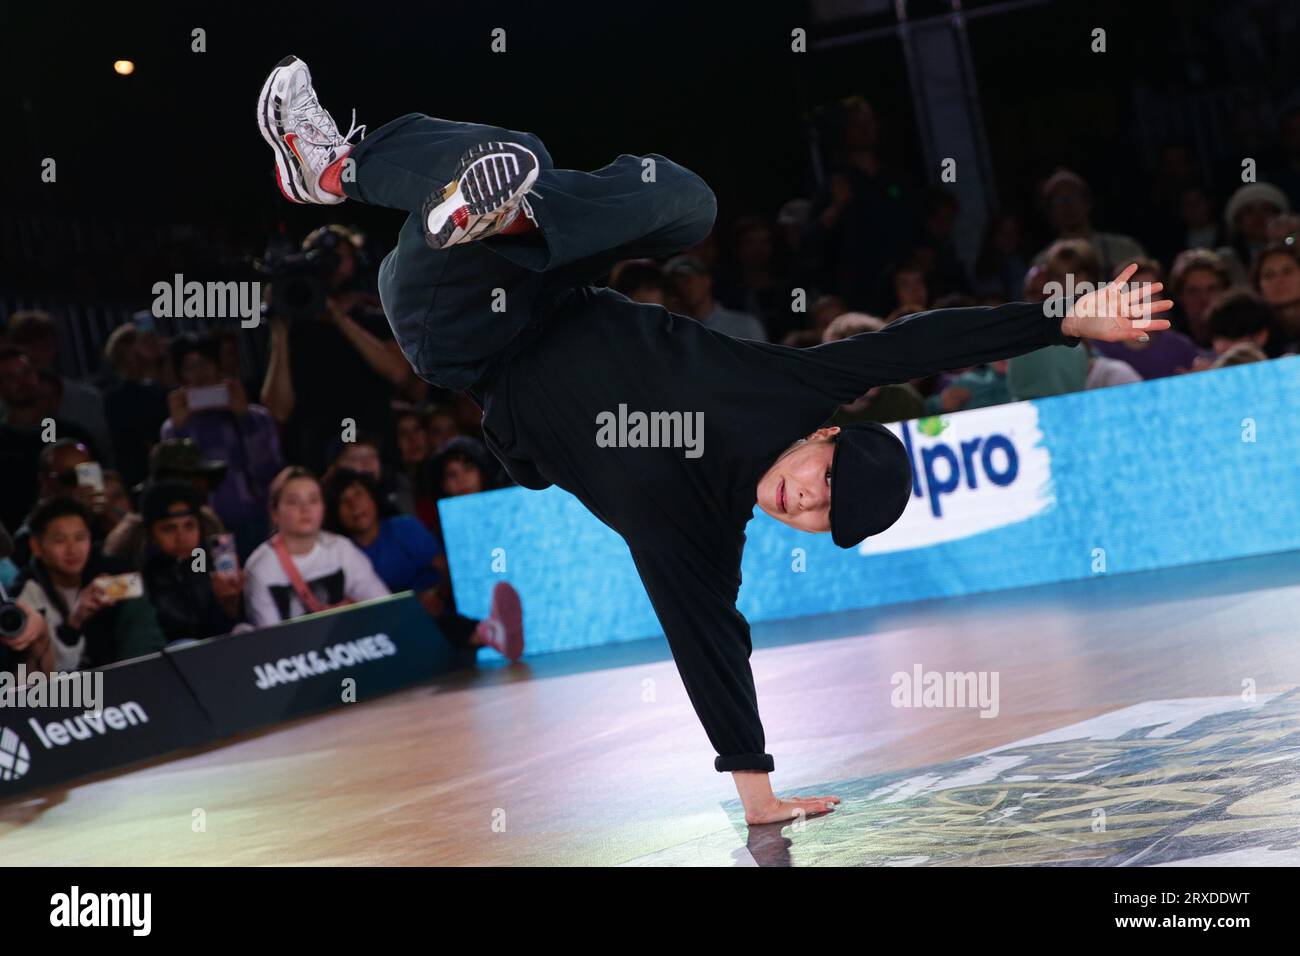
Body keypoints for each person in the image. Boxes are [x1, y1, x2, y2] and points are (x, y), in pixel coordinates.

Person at [257, 56, 1172, 824]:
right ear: (823, 433)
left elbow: (711, 644)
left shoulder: (697, 537)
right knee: (680, 202)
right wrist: (1064, 320)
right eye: (826, 480)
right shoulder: (786, 390)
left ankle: (398, 189)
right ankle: (439, 193)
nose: (809, 503)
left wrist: (758, 793)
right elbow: (917, 341)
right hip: (541, 277)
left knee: (522, 162)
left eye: (821, 519)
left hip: (455, 330)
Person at [322, 468, 523, 660]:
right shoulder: (340, 551)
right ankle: (487, 632)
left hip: (438, 611)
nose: (354, 506)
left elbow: (446, 569)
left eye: (358, 495)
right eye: (343, 501)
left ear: (372, 496)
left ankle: (486, 632)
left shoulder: (404, 528)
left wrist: (436, 593)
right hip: (388, 630)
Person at [161, 332, 283, 549]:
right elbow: (175, 483)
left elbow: (269, 470)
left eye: (205, 363)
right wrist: (179, 430)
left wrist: (244, 417)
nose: (200, 373)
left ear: (219, 367)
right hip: (207, 525)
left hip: (257, 517)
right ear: (180, 377)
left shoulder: (257, 417)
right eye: (190, 366)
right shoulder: (174, 427)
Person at [14, 497, 165, 670]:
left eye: (80, 538)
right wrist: (75, 622)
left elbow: (145, 638)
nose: (72, 549)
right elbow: (49, 673)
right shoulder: (26, 594)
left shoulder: (114, 574)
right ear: (36, 546)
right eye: (60, 540)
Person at [242, 466, 388, 627]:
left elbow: (383, 605)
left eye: (313, 500)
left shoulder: (341, 549)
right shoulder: (260, 568)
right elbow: (269, 639)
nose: (305, 509)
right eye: (293, 502)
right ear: (275, 512)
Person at [137, 481, 243, 643]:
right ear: (150, 534)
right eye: (169, 529)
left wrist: (230, 603)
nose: (181, 538)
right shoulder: (143, 575)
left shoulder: (215, 565)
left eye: (189, 526)